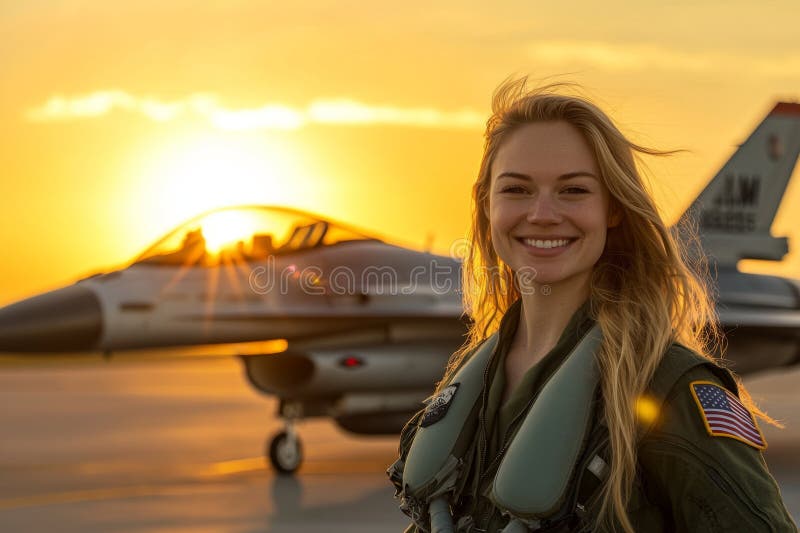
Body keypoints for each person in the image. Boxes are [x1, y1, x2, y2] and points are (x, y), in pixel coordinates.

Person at [387, 79, 797, 532]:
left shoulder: (664, 388)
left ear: (613, 209)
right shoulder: (472, 381)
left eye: (574, 190)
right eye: (516, 189)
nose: (542, 214)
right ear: (487, 205)